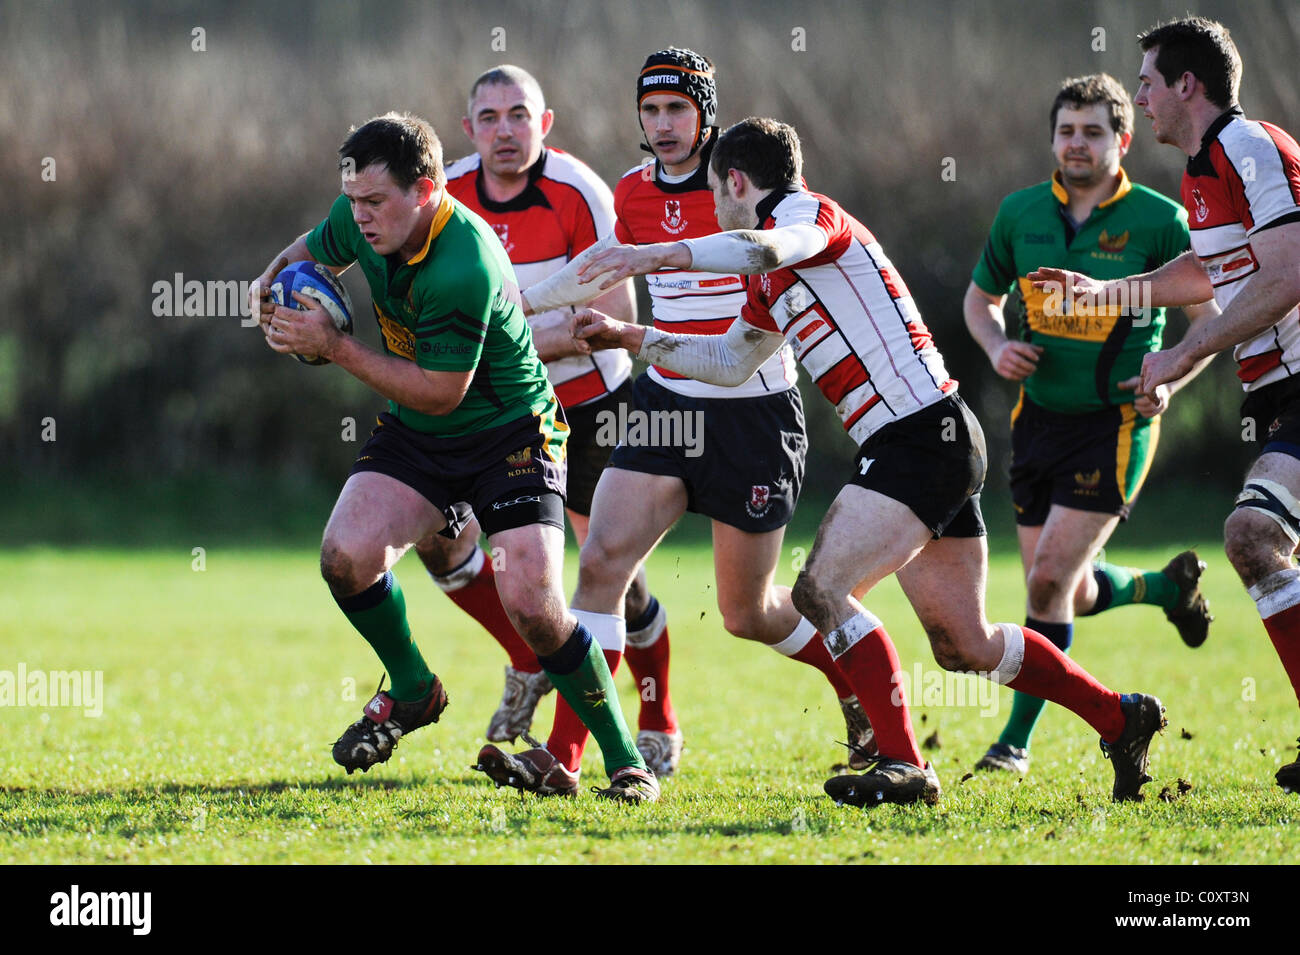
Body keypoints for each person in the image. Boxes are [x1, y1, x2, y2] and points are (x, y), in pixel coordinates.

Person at [573, 116, 1169, 806]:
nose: (713, 205)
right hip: (930, 441)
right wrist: (629, 333)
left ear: (736, 181)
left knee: (820, 589)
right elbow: (730, 361)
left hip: (921, 436)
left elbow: (767, 244)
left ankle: (903, 762)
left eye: (715, 192)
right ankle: (1121, 717)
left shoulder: (808, 217)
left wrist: (652, 257)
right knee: (964, 644)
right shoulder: (767, 279)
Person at [474, 49, 874, 797]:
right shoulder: (631, 189)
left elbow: (757, 303)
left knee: (747, 612)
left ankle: (856, 685)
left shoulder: (753, 188)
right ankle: (571, 758)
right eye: (650, 111)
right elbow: (602, 263)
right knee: (599, 567)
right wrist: (515, 307)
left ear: (706, 114)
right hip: (664, 407)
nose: (661, 126)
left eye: (676, 110)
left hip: (752, 415)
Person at [248, 111, 658, 802]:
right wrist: (271, 290)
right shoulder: (361, 218)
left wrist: (336, 346)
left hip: (510, 432)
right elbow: (309, 249)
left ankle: (626, 761)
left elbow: (443, 392)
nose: (361, 216)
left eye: (376, 202)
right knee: (344, 558)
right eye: (353, 199)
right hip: (421, 431)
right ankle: (413, 691)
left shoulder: (463, 260)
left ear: (429, 190)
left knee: (533, 600)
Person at [1034, 16, 1300, 794]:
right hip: (1283, 397)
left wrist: (1183, 353)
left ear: (1188, 85)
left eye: (1147, 82)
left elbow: (1287, 272)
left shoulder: (1250, 148)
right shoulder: (1202, 168)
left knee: (1252, 536)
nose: (1140, 97)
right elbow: (1208, 270)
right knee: (1260, 540)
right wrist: (1106, 293)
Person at [963, 73, 1218, 777]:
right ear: (1053, 138)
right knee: (1066, 589)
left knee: (1045, 583)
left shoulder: (1161, 220)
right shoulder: (1020, 213)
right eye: (1067, 130)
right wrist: (996, 346)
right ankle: (1166, 589)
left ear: (1122, 139)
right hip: (1037, 420)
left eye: (1093, 131)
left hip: (1115, 425)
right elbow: (978, 301)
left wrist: (1171, 370)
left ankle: (1013, 743)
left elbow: (1213, 317)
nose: (1077, 144)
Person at [413, 65, 657, 756]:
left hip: (588, 405)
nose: (504, 132)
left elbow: (610, 319)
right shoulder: (445, 194)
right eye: (488, 118)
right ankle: (527, 657)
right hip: (491, 413)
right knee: (436, 535)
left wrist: (493, 345)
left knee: (611, 575)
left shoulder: (581, 192)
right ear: (468, 130)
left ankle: (658, 713)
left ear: (544, 124)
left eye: (519, 115)